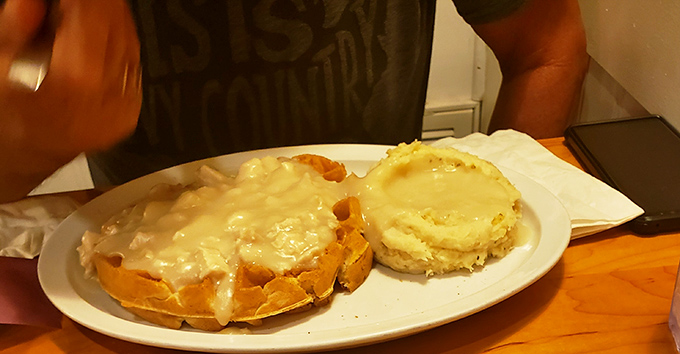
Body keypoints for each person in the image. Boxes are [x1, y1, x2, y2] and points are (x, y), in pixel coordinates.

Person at [0, 0, 587, 202]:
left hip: (389, 284)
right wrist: (27, 143)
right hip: (134, 302)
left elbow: (546, 49)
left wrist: (504, 215)